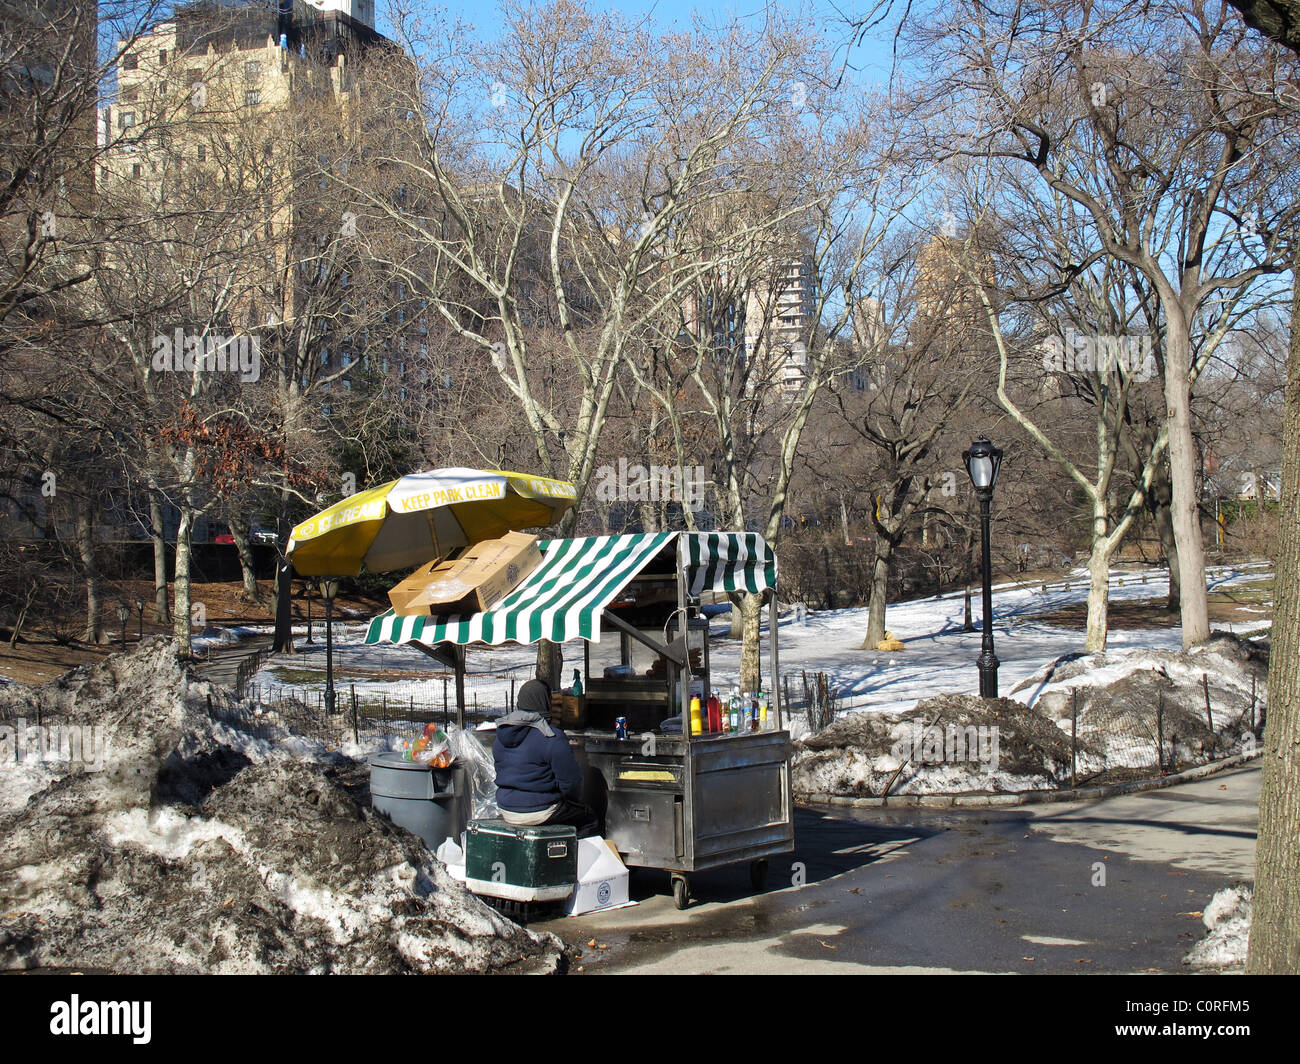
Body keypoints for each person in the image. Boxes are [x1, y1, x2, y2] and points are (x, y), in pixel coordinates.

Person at [493, 678, 600, 837]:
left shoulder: (501, 735)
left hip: (506, 808)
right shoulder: (551, 736)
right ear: (544, 702)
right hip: (540, 810)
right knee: (589, 818)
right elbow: (571, 780)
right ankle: (572, 860)